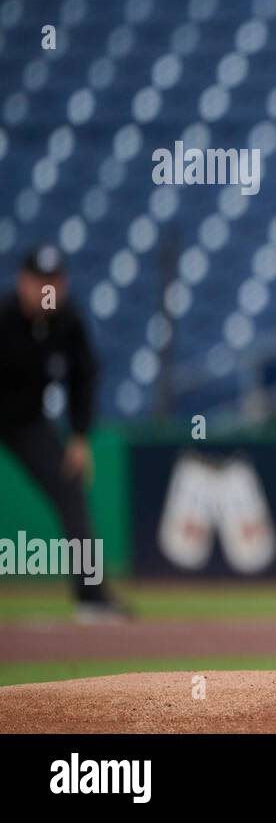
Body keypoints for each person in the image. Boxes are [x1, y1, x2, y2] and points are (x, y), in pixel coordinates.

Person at [0, 244, 128, 623]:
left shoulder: (67, 320)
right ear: (24, 282)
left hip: (26, 422)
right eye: (40, 281)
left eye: (54, 281)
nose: (47, 290)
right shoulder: (3, 317)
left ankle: (92, 597)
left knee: (70, 487)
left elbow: (84, 375)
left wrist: (80, 436)